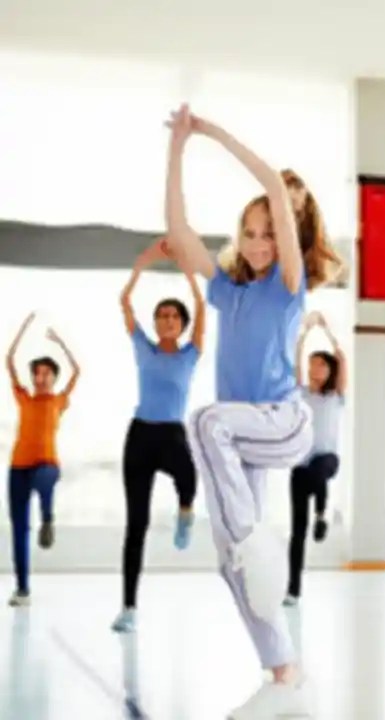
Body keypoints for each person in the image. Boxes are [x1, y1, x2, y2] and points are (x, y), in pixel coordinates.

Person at [163, 102, 337, 718]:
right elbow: (178, 228)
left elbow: (274, 191)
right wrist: (179, 146)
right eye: (251, 232)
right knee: (229, 562)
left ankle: (253, 541)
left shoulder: (289, 285)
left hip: (283, 425)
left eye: (271, 231)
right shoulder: (225, 290)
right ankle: (285, 670)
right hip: (239, 445)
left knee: (204, 419)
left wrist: (212, 132)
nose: (260, 242)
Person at [111, 239, 206, 633]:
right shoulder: (143, 347)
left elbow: (201, 305)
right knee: (136, 525)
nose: (167, 320)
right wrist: (142, 264)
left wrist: (187, 269)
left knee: (189, 478)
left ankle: (185, 513)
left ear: (182, 325)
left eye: (173, 316)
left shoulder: (190, 354)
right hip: (140, 437)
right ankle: (128, 607)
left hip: (171, 434)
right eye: (162, 315)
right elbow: (124, 301)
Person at [6, 313, 80, 607]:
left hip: (47, 465)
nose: (41, 377)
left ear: (53, 377)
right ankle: (23, 589)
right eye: (37, 373)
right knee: (19, 529)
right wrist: (23, 327)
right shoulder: (24, 398)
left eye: (47, 373)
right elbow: (9, 359)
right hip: (17, 468)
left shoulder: (59, 401)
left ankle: (48, 517)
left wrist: (59, 341)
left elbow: (77, 370)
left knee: (45, 479)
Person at [284, 311, 346, 607]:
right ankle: (293, 589)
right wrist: (304, 333)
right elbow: (294, 361)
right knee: (297, 532)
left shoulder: (336, 396)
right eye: (313, 364)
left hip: (328, 459)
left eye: (321, 364)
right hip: (302, 466)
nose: (315, 369)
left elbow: (342, 358)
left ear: (329, 370)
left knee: (320, 468)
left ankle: (321, 514)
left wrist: (327, 329)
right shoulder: (300, 394)